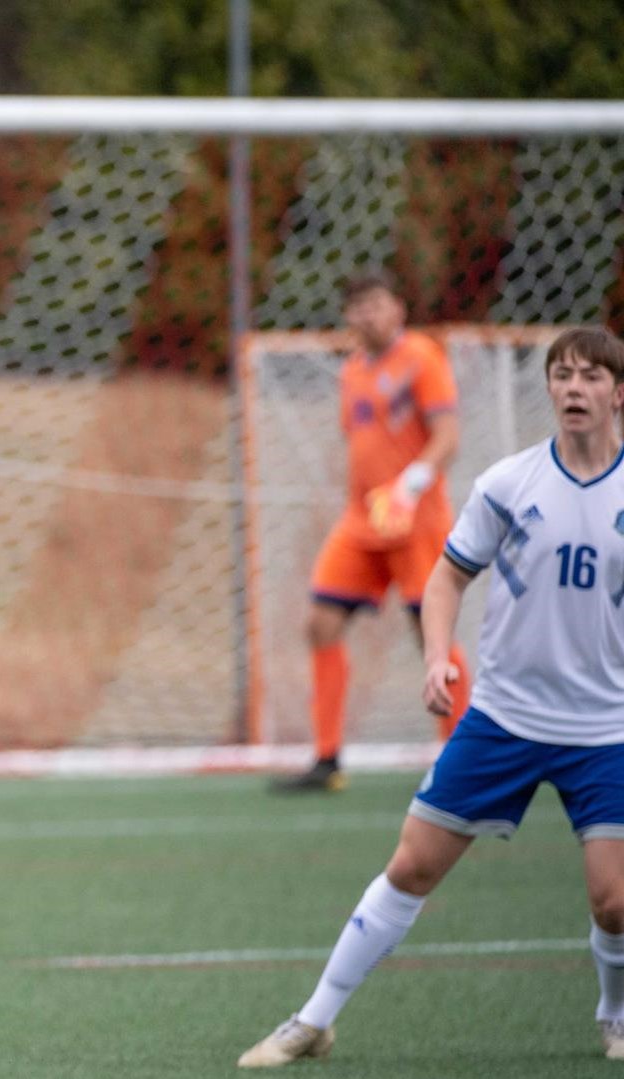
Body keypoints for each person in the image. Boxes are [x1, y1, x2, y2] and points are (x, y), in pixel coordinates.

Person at [238, 326, 624, 1067]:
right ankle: (312, 1019)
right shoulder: (508, 484)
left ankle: (613, 1012)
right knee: (411, 864)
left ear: (617, 392)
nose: (573, 388)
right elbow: (446, 576)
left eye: (590, 376)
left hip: (603, 727)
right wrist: (435, 657)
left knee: (613, 899)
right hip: (504, 717)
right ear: (547, 387)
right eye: (562, 374)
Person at [276, 274, 470, 791]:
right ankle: (326, 760)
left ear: (398, 309)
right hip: (362, 520)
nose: (368, 315)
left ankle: (462, 759)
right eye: (358, 307)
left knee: (430, 633)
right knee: (320, 622)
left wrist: (412, 482)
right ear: (348, 318)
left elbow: (448, 436)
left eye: (377, 304)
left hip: (416, 519)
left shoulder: (422, 358)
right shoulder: (352, 373)